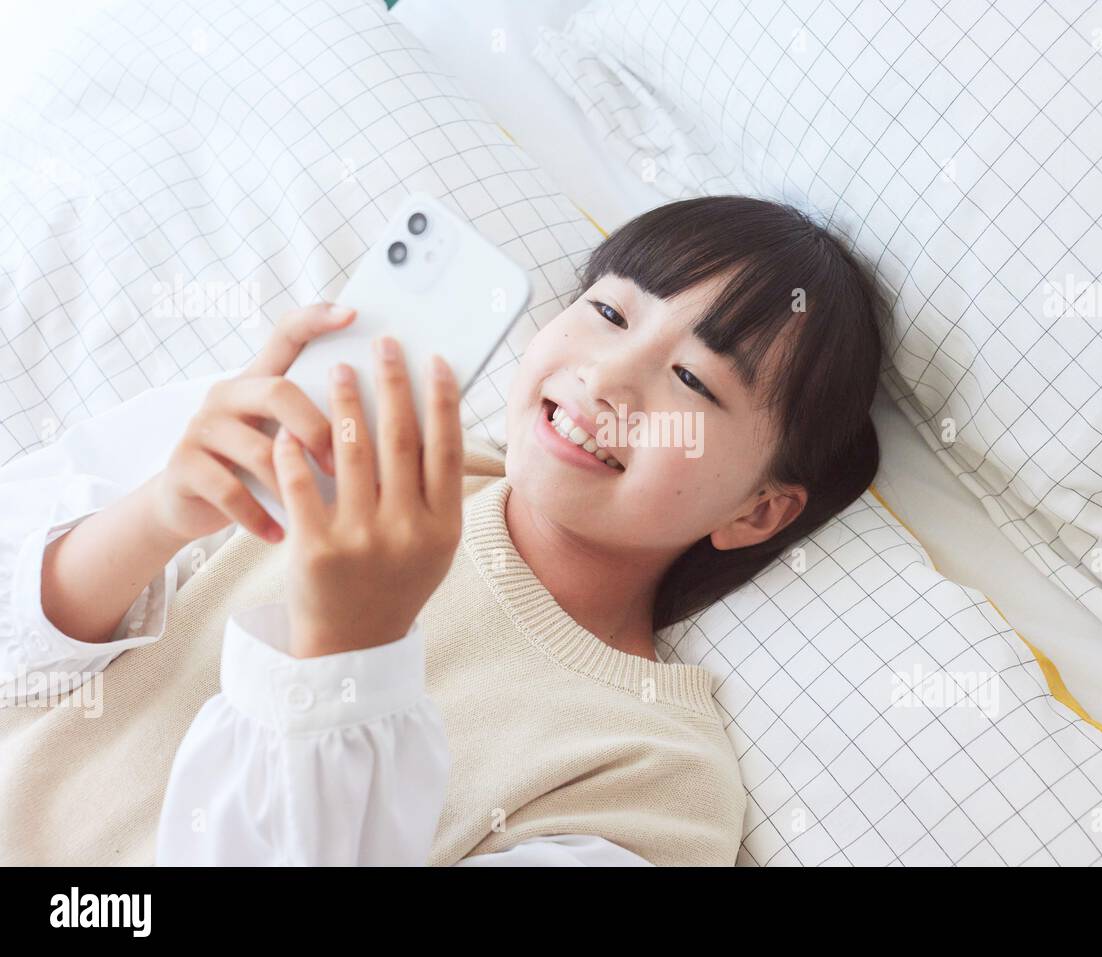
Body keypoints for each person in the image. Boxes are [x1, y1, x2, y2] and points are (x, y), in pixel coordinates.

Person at [0, 195, 884, 866]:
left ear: (757, 511)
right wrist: (154, 518)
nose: (608, 378)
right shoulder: (336, 442)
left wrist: (348, 648)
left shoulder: (659, 783)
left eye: (693, 381)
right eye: (611, 313)